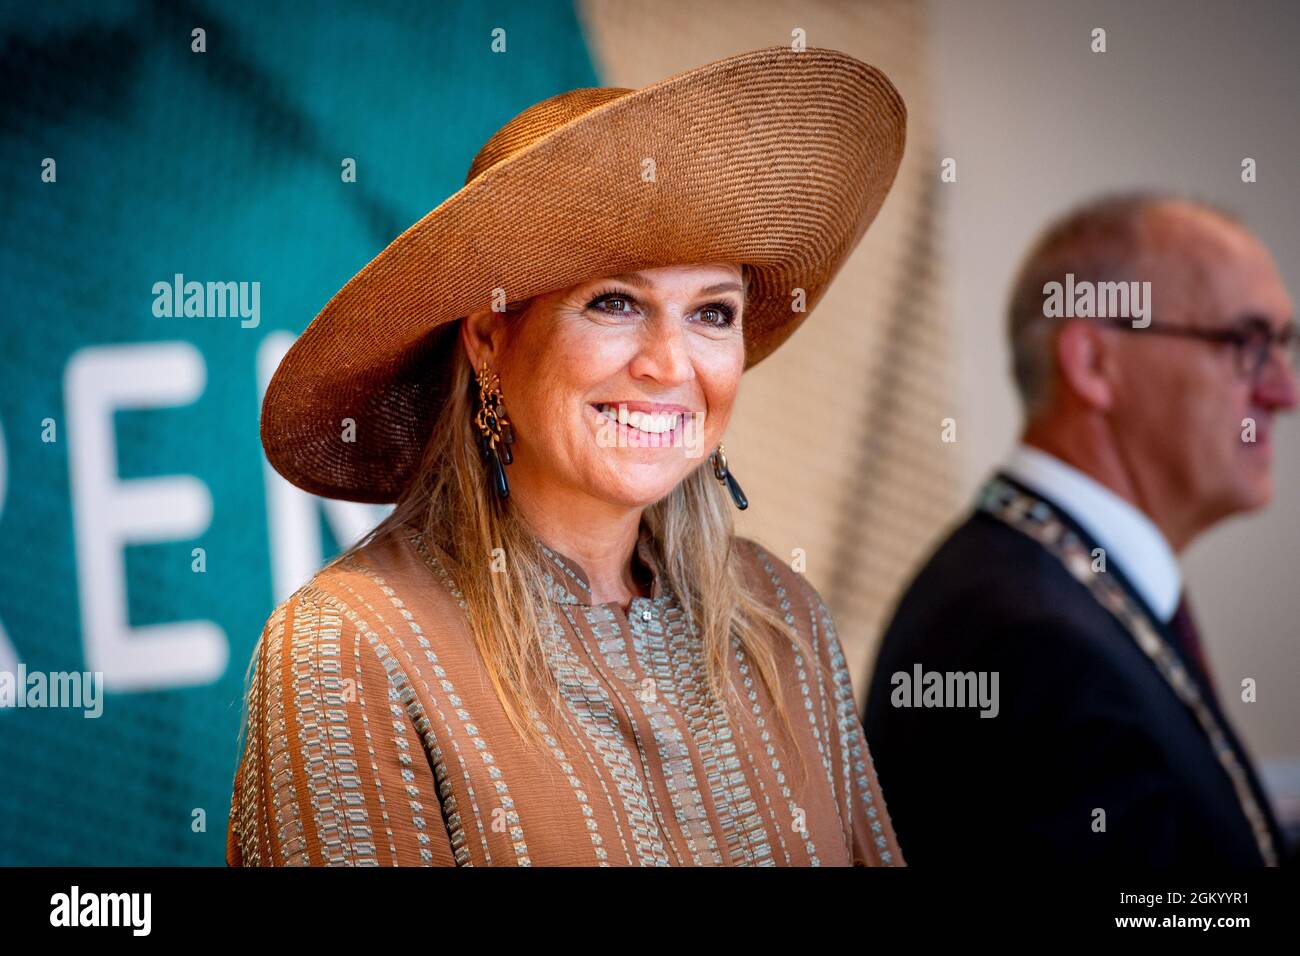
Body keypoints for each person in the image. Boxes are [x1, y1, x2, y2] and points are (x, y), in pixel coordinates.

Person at [227, 46, 909, 866]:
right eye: (615, 303)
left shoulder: (784, 618)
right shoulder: (347, 647)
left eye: (713, 313)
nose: (670, 365)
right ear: (487, 339)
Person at [865, 194, 1297, 866]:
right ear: (1094, 364)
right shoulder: (1029, 640)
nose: (1283, 392)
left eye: (1284, 346)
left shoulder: (1051, 587)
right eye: (1244, 344)